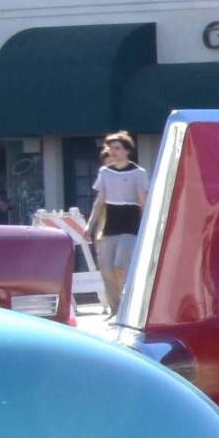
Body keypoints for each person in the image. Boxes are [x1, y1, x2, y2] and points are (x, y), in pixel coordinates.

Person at [87, 132, 150, 315]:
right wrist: (90, 225)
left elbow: (143, 201)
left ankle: (130, 306)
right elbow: (99, 201)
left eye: (117, 148)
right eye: (111, 148)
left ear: (127, 150)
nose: (113, 152)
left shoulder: (138, 173)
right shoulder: (105, 173)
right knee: (107, 270)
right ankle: (116, 309)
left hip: (130, 225)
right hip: (110, 226)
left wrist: (146, 226)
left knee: (120, 266)